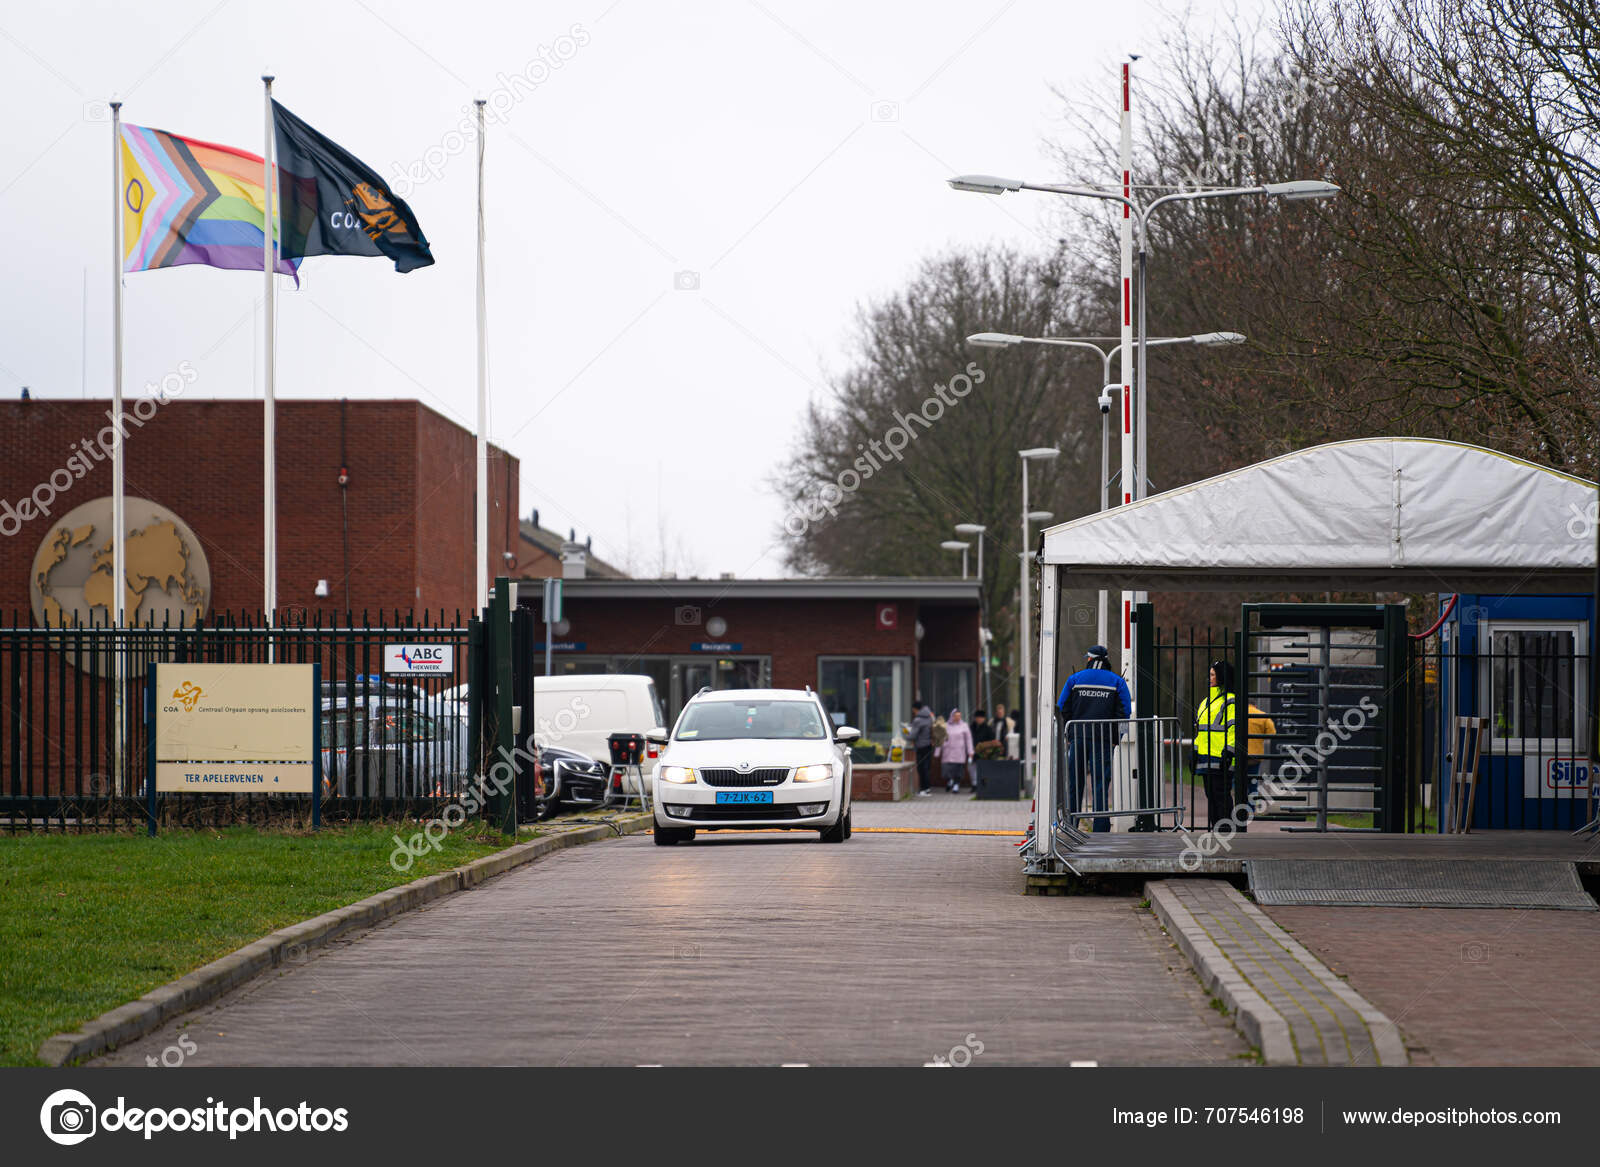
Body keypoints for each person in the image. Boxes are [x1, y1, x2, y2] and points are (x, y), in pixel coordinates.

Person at [1194, 660, 1277, 830]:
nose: (1208, 678)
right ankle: (1217, 831)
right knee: (1212, 797)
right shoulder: (1206, 701)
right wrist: (1194, 752)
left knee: (1222, 797)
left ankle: (1226, 831)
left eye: (1212, 675)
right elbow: (1201, 731)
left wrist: (1229, 751)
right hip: (1205, 758)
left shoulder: (1231, 701)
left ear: (1222, 677)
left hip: (1222, 757)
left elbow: (1234, 730)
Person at [1057, 645, 1132, 833]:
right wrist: (1117, 737)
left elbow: (1061, 708)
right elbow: (1125, 713)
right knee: (1100, 784)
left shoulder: (1074, 679)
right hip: (1104, 739)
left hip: (1078, 737)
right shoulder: (1117, 682)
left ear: (1089, 660)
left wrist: (1068, 734)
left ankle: (1070, 825)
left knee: (1075, 783)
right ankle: (1100, 828)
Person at [939, 708, 974, 793]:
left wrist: (970, 751)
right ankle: (950, 780)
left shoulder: (964, 725)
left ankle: (956, 785)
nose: (958, 717)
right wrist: (937, 751)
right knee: (946, 771)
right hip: (948, 752)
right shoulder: (946, 726)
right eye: (956, 716)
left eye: (959, 716)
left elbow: (968, 739)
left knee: (958, 771)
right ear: (952, 716)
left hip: (960, 752)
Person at [909, 702, 935, 797]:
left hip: (921, 746)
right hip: (929, 745)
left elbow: (913, 735)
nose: (913, 712)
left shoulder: (918, 720)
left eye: (913, 710)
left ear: (916, 709)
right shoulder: (930, 717)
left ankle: (923, 789)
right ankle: (927, 789)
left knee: (921, 768)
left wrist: (906, 734)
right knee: (927, 767)